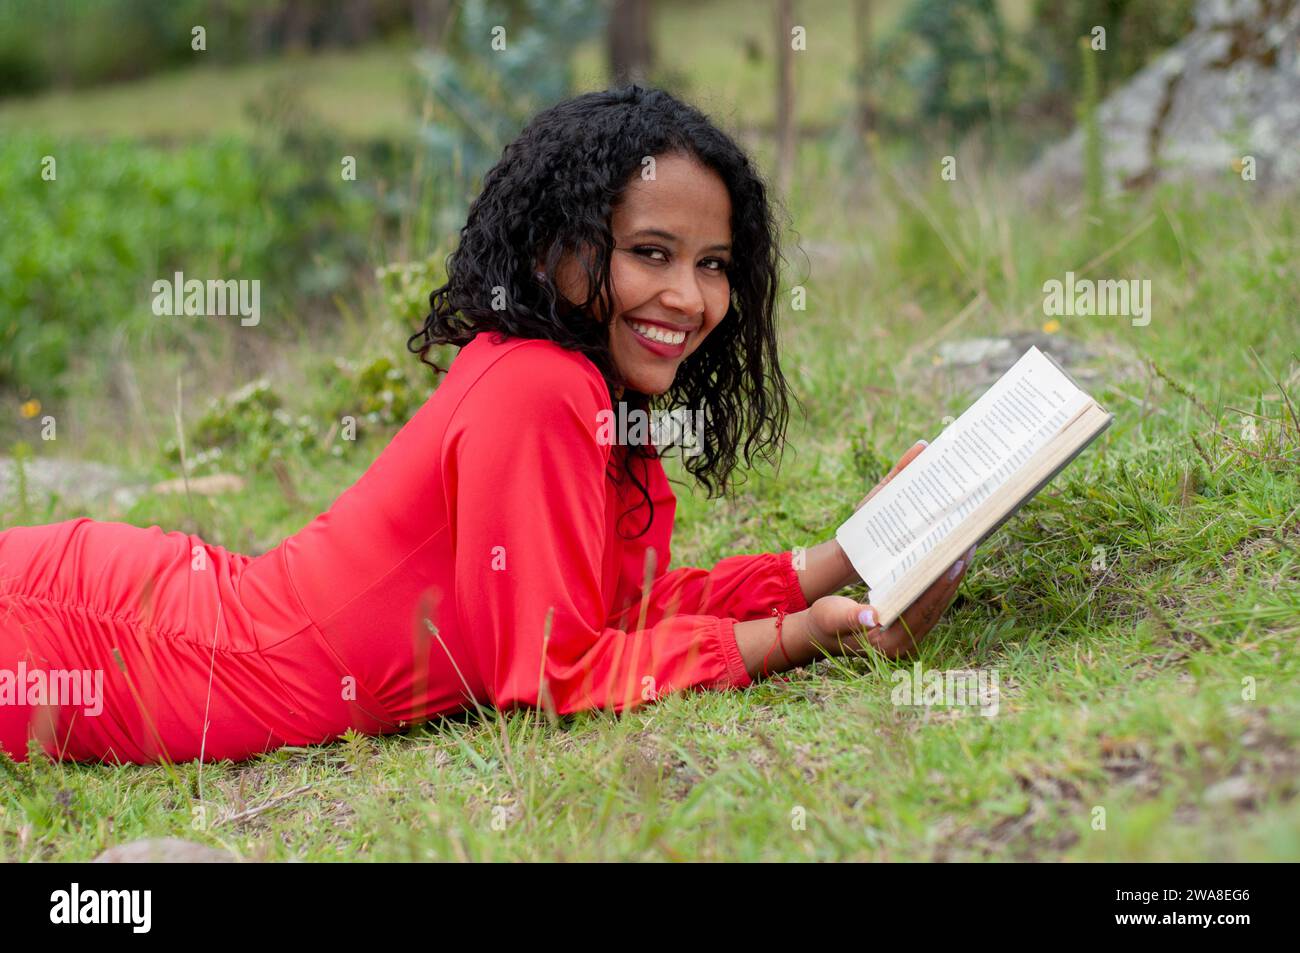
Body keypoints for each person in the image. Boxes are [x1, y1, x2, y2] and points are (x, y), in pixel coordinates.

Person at [0, 86, 971, 766]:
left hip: (145, 609)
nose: (688, 294)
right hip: (96, 640)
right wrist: (806, 636)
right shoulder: (538, 388)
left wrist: (843, 557)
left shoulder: (593, 395)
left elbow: (605, 614)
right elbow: (551, 678)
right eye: (649, 251)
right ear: (554, 250)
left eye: (713, 262)